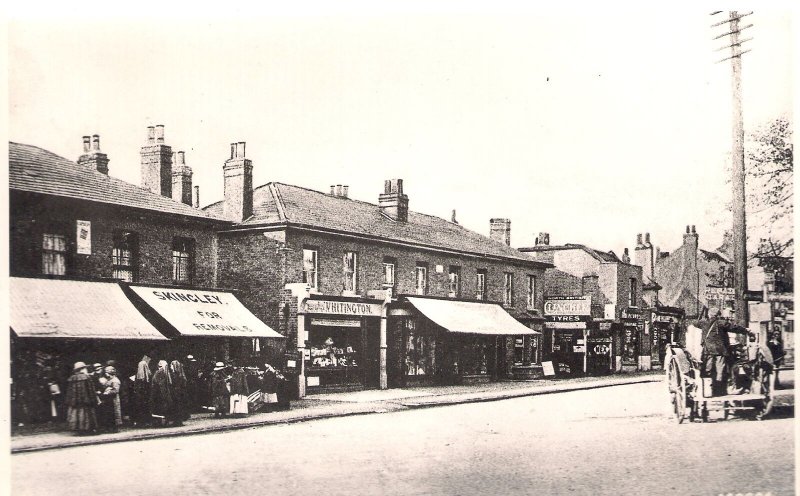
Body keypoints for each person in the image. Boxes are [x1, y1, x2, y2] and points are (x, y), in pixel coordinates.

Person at [701, 307, 753, 396]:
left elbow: (694, 324)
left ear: (709, 315)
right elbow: (734, 327)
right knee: (721, 369)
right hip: (719, 351)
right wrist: (746, 330)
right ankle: (723, 389)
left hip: (707, 350)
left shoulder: (703, 323)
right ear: (718, 315)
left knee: (709, 369)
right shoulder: (720, 323)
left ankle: (709, 389)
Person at [64, 362, 98, 435]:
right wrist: (93, 399)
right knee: (86, 414)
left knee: (75, 413)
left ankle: (78, 429)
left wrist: (70, 400)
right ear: (82, 369)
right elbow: (90, 389)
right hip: (86, 400)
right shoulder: (87, 377)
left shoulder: (72, 378)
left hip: (75, 401)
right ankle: (87, 429)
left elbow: (69, 391)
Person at [150, 360, 178, 427]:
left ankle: (161, 422)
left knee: (159, 409)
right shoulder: (161, 373)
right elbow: (161, 385)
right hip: (160, 394)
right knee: (161, 408)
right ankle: (162, 423)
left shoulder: (159, 373)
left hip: (158, 394)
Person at [98, 366, 122, 432]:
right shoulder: (110, 380)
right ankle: (109, 428)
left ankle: (114, 428)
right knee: (110, 413)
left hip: (113, 399)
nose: (106, 374)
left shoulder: (115, 380)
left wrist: (107, 392)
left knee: (114, 413)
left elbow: (116, 391)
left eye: (107, 372)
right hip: (109, 399)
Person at [132, 354, 152, 426]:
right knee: (146, 408)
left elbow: (136, 387)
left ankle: (140, 422)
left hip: (140, 396)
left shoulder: (138, 377)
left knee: (140, 408)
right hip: (147, 395)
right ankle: (147, 422)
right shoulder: (149, 375)